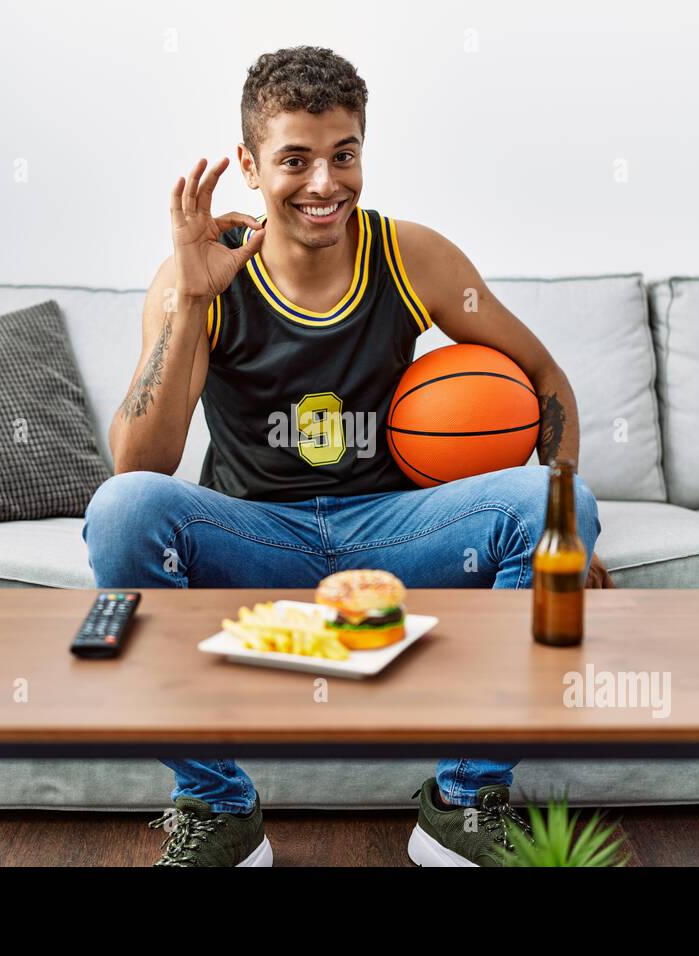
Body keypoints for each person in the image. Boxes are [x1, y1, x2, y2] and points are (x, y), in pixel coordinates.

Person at [83, 45, 612, 867]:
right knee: (118, 513)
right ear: (251, 169)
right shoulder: (199, 274)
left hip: (389, 534)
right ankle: (218, 806)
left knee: (561, 504)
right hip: (254, 536)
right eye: (295, 159)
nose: (325, 183)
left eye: (345, 155)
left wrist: (563, 540)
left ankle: (465, 801)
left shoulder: (410, 256)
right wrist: (192, 296)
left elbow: (543, 377)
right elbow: (138, 467)